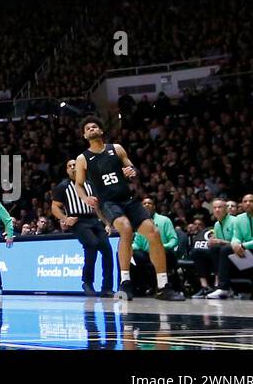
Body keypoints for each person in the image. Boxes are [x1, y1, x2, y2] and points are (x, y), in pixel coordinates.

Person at [73, 120, 183, 301]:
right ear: (85, 136)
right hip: (108, 202)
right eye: (87, 128)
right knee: (125, 228)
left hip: (128, 199)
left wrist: (131, 171)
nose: (91, 129)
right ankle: (125, 282)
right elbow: (78, 184)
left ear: (100, 130)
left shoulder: (116, 148)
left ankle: (163, 285)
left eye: (94, 126)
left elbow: (131, 167)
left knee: (154, 233)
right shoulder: (82, 158)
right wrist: (85, 198)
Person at [51, 157, 112, 295]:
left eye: (75, 165)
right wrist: (65, 219)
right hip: (78, 221)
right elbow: (54, 207)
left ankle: (107, 287)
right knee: (92, 243)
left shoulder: (90, 184)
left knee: (107, 250)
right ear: (67, 170)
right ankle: (87, 282)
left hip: (94, 220)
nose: (73, 167)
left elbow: (97, 207)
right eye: (70, 166)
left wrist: (107, 223)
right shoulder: (63, 186)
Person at [206, 193, 253, 299]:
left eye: (251, 201)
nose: (248, 203)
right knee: (225, 250)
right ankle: (224, 288)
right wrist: (235, 245)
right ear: (242, 204)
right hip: (245, 250)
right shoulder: (239, 218)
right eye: (245, 201)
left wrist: (243, 245)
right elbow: (236, 237)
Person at [130, 197, 180, 295]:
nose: (147, 205)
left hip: (162, 252)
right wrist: (129, 248)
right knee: (132, 255)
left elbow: (174, 240)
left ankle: (166, 286)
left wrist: (163, 246)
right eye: (144, 204)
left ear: (154, 207)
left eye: (149, 203)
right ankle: (137, 288)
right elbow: (137, 243)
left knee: (168, 254)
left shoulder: (164, 220)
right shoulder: (140, 223)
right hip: (147, 254)